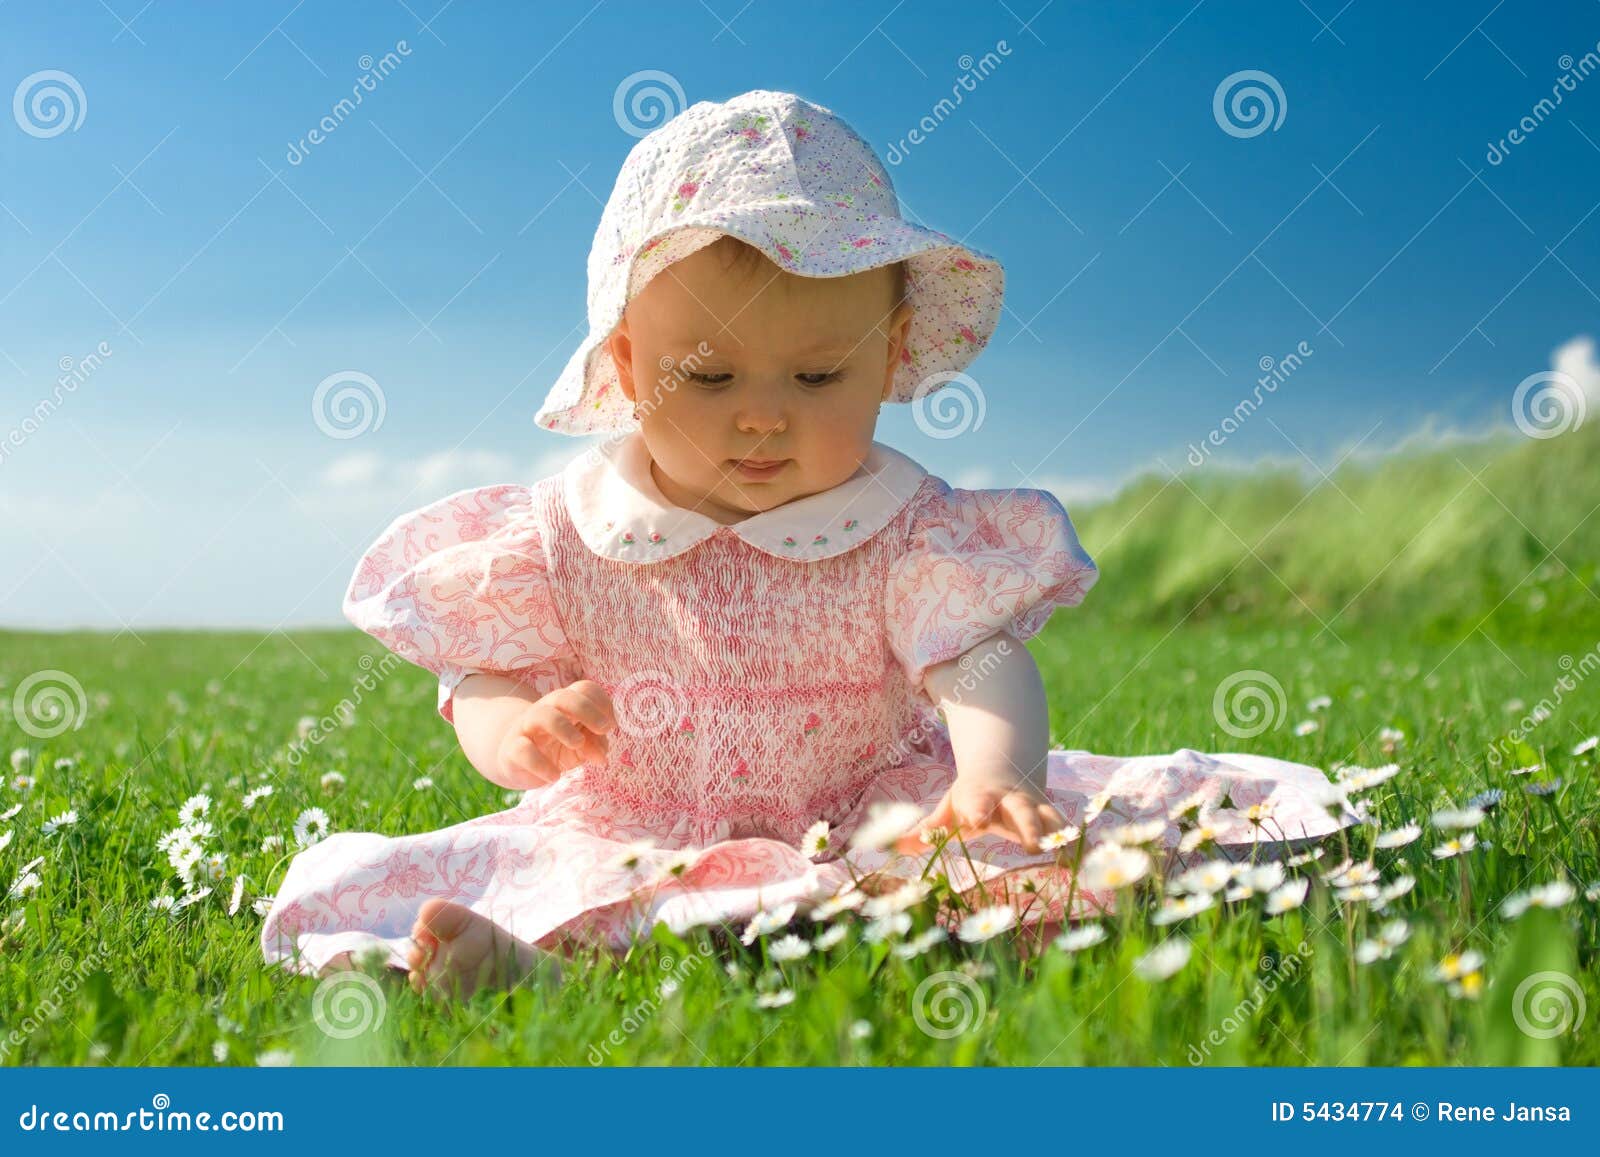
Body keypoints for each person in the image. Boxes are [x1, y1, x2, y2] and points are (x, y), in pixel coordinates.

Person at [261, 90, 1356, 997]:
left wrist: (991, 772)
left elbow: (974, 660)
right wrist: (517, 734)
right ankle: (537, 972)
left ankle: (764, 944)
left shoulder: (904, 529)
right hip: (635, 817)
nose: (762, 415)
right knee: (561, 878)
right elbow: (485, 670)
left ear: (888, 360)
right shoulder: (560, 533)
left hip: (866, 808)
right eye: (711, 375)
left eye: (818, 376)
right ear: (631, 365)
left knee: (1000, 871)